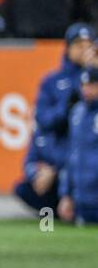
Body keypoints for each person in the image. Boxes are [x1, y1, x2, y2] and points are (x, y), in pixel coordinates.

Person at [14, 23, 92, 213]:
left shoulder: (93, 81)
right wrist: (67, 107)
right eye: (78, 45)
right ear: (68, 48)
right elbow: (45, 120)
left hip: (82, 159)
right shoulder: (53, 81)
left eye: (87, 45)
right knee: (26, 187)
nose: (83, 51)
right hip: (60, 152)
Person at [58, 69, 98, 225]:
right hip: (81, 202)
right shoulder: (77, 113)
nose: (86, 89)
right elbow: (72, 155)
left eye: (92, 85)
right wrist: (66, 194)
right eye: (84, 85)